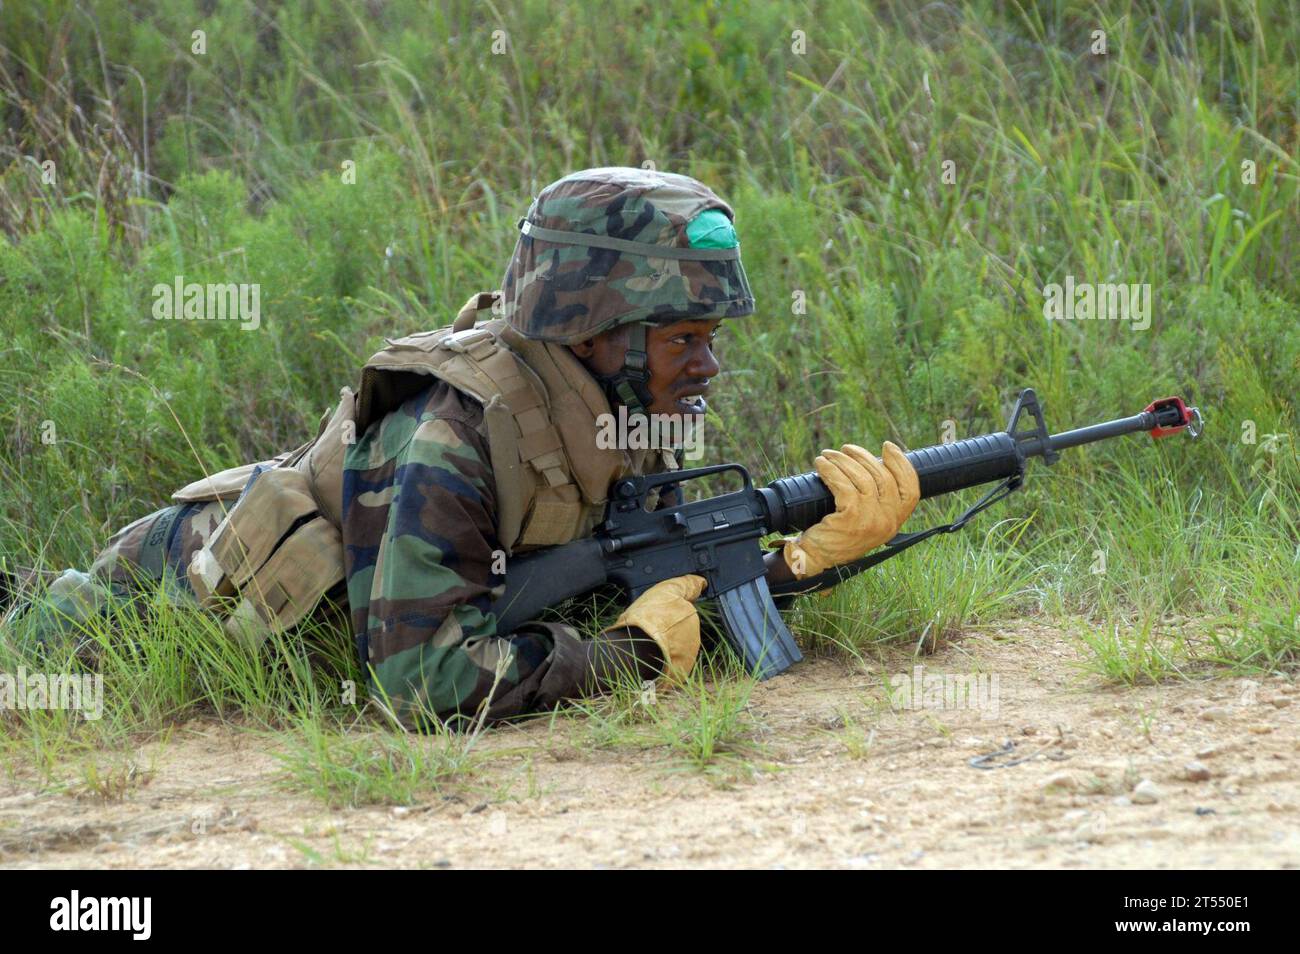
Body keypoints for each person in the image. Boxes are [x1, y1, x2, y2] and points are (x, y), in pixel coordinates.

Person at [5, 167, 920, 727]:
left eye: (710, 338)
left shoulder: (624, 414)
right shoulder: (455, 432)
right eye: (684, 338)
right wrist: (625, 661)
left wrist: (796, 564)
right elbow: (421, 684)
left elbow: (658, 601)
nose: (709, 365)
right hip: (138, 612)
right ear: (597, 326)